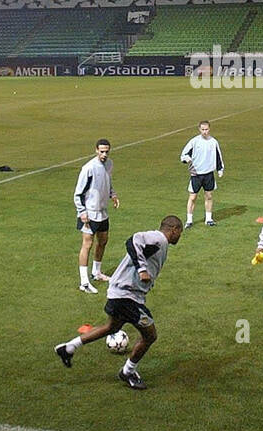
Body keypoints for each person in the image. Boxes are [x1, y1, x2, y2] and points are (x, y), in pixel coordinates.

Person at [54, 215, 184, 390]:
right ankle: (128, 371)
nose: (180, 236)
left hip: (122, 292)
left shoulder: (161, 244)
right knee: (150, 335)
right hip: (126, 295)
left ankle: (69, 347)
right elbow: (133, 240)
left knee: (111, 327)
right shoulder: (158, 238)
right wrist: (142, 269)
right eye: (179, 232)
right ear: (173, 229)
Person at [74, 139, 119, 292]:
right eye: (101, 151)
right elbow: (78, 193)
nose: (104, 154)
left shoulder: (109, 164)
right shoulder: (88, 168)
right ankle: (84, 282)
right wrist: (82, 212)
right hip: (89, 212)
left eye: (107, 151)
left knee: (103, 240)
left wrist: (113, 194)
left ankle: (96, 272)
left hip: (103, 211)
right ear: (96, 150)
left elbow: (108, 181)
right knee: (87, 244)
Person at [180, 120, 223, 228]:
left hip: (208, 173)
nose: (205, 132)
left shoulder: (213, 142)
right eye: (203, 129)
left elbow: (218, 156)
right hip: (196, 174)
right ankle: (189, 220)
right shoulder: (194, 142)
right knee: (193, 197)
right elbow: (184, 154)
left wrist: (220, 169)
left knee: (209, 196)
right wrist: (188, 159)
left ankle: (208, 219)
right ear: (199, 129)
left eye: (206, 129)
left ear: (209, 129)